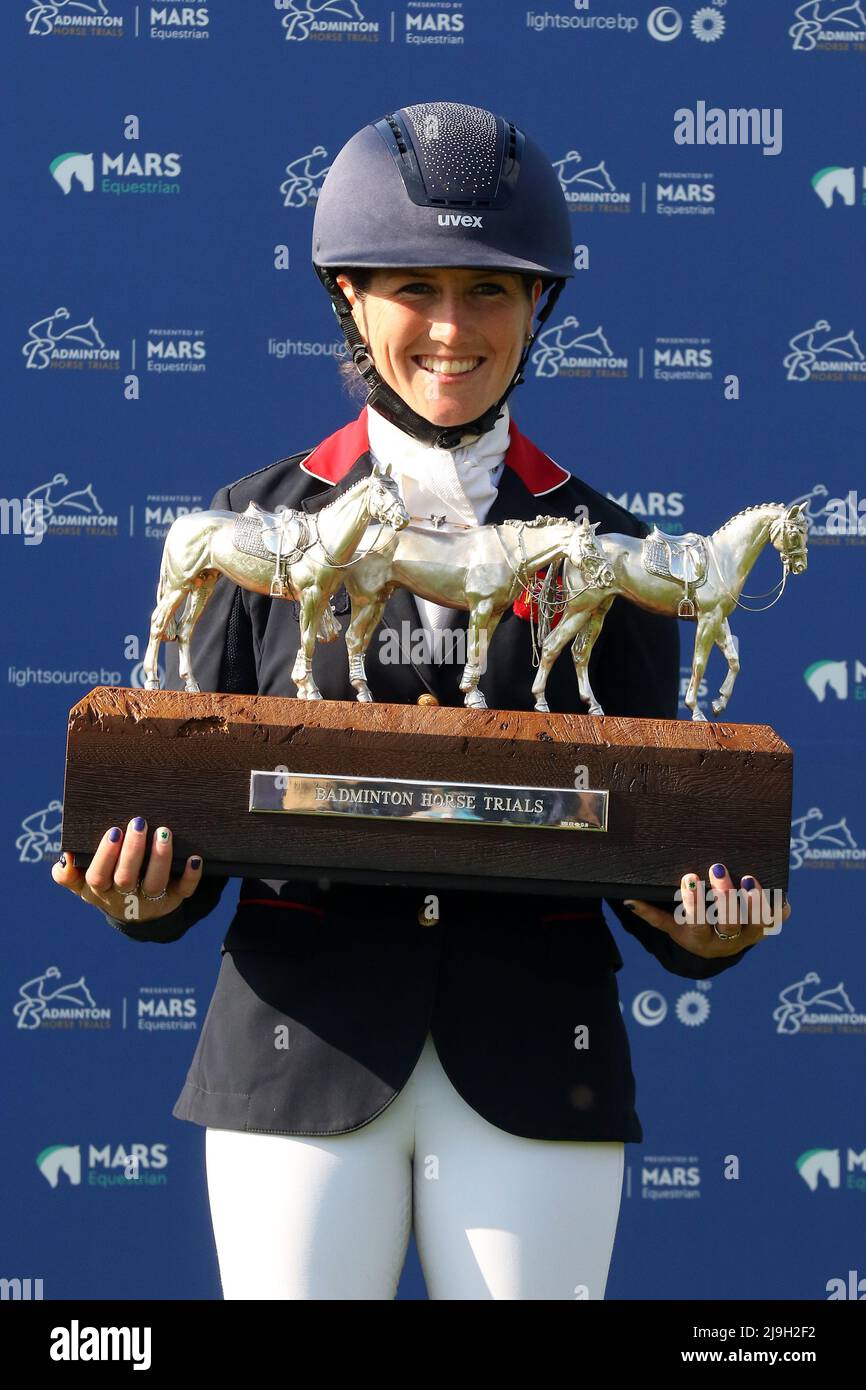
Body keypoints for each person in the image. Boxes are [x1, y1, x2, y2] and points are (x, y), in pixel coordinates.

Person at [52, 101, 791, 1301]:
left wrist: (703, 930)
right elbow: (188, 799)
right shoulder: (256, 528)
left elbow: (662, 832)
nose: (452, 328)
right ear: (348, 295)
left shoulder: (616, 553)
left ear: (539, 304)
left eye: (490, 291)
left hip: (536, 1061)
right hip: (299, 1055)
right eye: (414, 287)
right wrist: (137, 891)